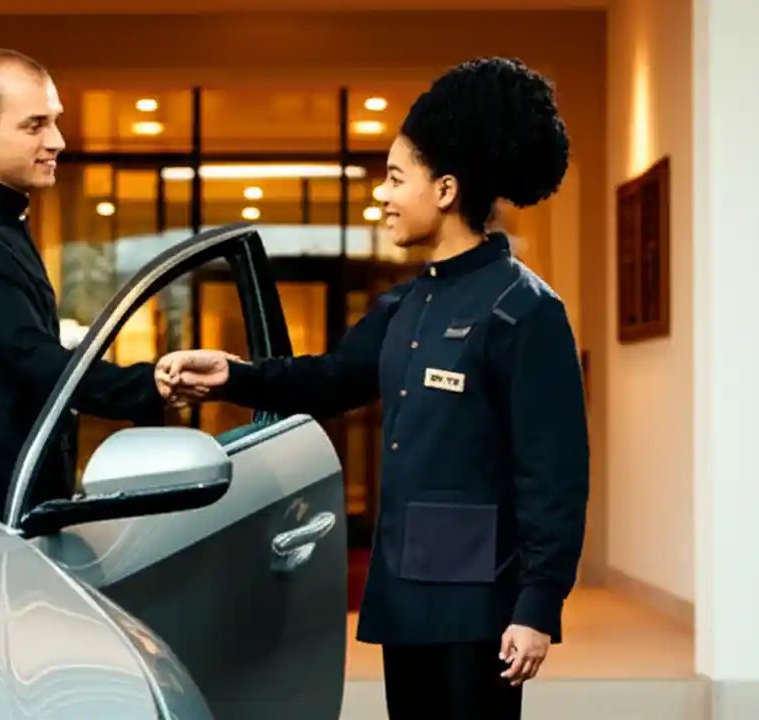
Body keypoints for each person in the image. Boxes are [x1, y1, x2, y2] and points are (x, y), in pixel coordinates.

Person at [158, 57, 588, 719]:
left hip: (479, 604)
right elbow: (330, 380)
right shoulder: (403, 305)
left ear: (445, 189)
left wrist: (538, 606)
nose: (381, 196)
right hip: (406, 592)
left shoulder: (525, 309)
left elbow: (554, 476)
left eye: (394, 178)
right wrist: (233, 374)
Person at [0, 49, 173, 516]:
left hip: (21, 498)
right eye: (34, 125)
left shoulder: (0, 224)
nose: (57, 139)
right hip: (2, 512)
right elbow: (36, 362)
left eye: (54, 121)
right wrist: (153, 382)